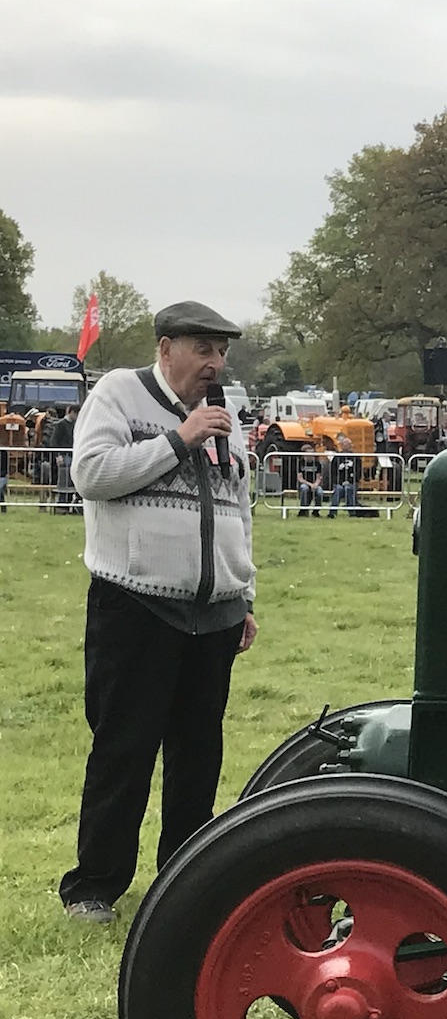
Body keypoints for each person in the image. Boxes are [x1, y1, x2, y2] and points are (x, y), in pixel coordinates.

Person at [58, 302, 258, 924]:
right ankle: (94, 887)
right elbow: (91, 474)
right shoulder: (120, 394)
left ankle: (184, 883)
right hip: (136, 606)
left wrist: (243, 592)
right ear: (167, 347)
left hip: (215, 614)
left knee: (199, 757)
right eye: (203, 349)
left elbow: (238, 509)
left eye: (221, 352)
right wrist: (178, 439)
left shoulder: (228, 417)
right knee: (125, 747)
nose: (214, 363)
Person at [49, 403, 78, 510]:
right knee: (64, 481)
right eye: (76, 413)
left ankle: (69, 503)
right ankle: (62, 504)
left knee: (71, 482)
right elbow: (54, 441)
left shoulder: (76, 425)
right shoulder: (60, 424)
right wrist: (58, 455)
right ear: (71, 412)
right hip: (65, 456)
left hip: (73, 455)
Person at [326, 435, 361, 517]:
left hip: (351, 482)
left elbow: (358, 472)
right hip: (339, 483)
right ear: (342, 446)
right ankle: (332, 513)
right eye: (346, 445)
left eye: (350, 445)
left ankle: (352, 512)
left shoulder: (356, 458)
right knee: (338, 489)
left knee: (348, 489)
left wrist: (349, 481)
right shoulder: (337, 458)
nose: (349, 446)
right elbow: (333, 473)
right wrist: (340, 482)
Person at [294, 447, 324, 515]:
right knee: (304, 488)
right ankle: (303, 510)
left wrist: (316, 484)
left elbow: (318, 477)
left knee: (320, 491)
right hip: (304, 483)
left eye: (312, 454)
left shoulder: (317, 463)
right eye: (309, 454)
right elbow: (300, 478)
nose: (310, 456)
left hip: (314, 484)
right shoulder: (300, 463)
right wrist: (310, 484)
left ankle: (316, 511)